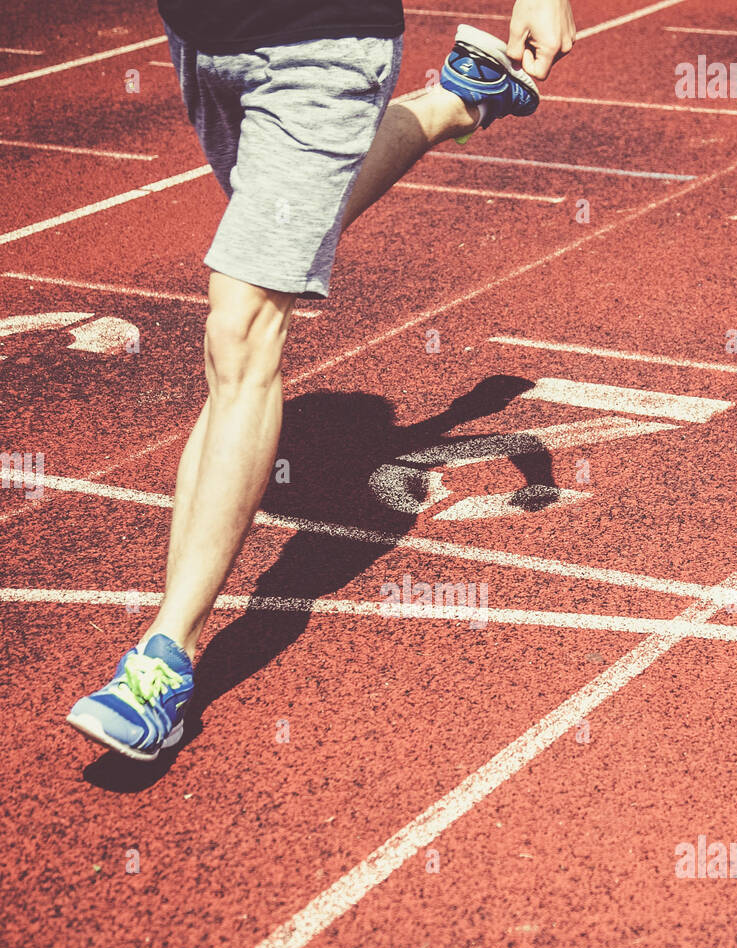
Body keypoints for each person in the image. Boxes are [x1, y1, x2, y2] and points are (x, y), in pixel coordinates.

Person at [67, 0, 577, 760]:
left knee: (240, 325)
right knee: (284, 238)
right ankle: (455, 102)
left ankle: (163, 663)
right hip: (204, 39)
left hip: (324, 44)